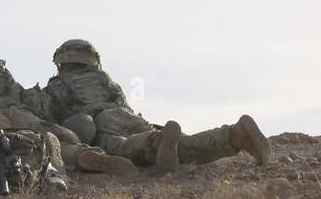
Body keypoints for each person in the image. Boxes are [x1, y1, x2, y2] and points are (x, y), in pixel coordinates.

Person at [42, 38, 270, 172]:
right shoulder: (106, 81)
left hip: (101, 124)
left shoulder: (58, 84)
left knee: (126, 147)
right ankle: (233, 134)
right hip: (129, 117)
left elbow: (48, 117)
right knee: (185, 144)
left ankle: (158, 141)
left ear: (61, 64)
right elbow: (125, 106)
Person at [0, 41, 137, 178]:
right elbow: (32, 101)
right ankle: (83, 150)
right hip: (22, 113)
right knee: (52, 135)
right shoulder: (4, 75)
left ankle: (78, 158)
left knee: (23, 147)